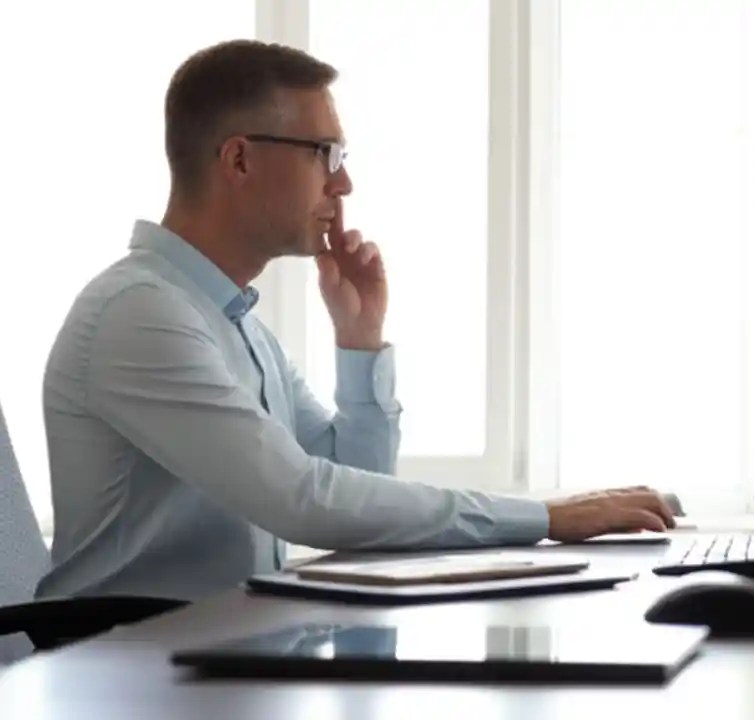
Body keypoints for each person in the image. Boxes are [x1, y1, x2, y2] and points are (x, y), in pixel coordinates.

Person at [36, 40, 673, 601]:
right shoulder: (142, 315)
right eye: (326, 153)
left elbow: (356, 494)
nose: (343, 185)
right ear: (238, 161)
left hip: (215, 656)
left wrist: (359, 341)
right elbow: (304, 502)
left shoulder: (236, 326)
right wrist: (544, 516)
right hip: (120, 671)